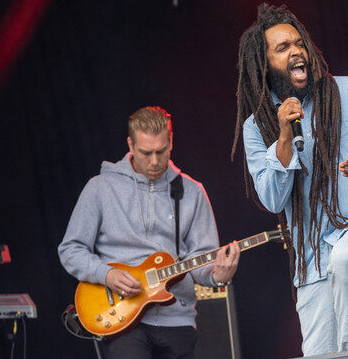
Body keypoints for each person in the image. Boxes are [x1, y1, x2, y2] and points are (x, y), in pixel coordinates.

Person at [231, 4, 348, 356]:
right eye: (282, 48)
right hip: (313, 254)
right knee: (316, 352)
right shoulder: (257, 128)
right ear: (264, 64)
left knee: (346, 258)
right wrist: (284, 138)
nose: (296, 51)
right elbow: (272, 199)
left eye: (299, 43)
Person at [59, 106, 239, 359]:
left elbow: (200, 259)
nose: (154, 161)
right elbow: (71, 249)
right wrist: (107, 274)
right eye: (145, 153)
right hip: (122, 317)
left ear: (171, 142)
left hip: (177, 319)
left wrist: (218, 276)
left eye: (161, 151)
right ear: (130, 145)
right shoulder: (100, 188)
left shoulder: (193, 191)